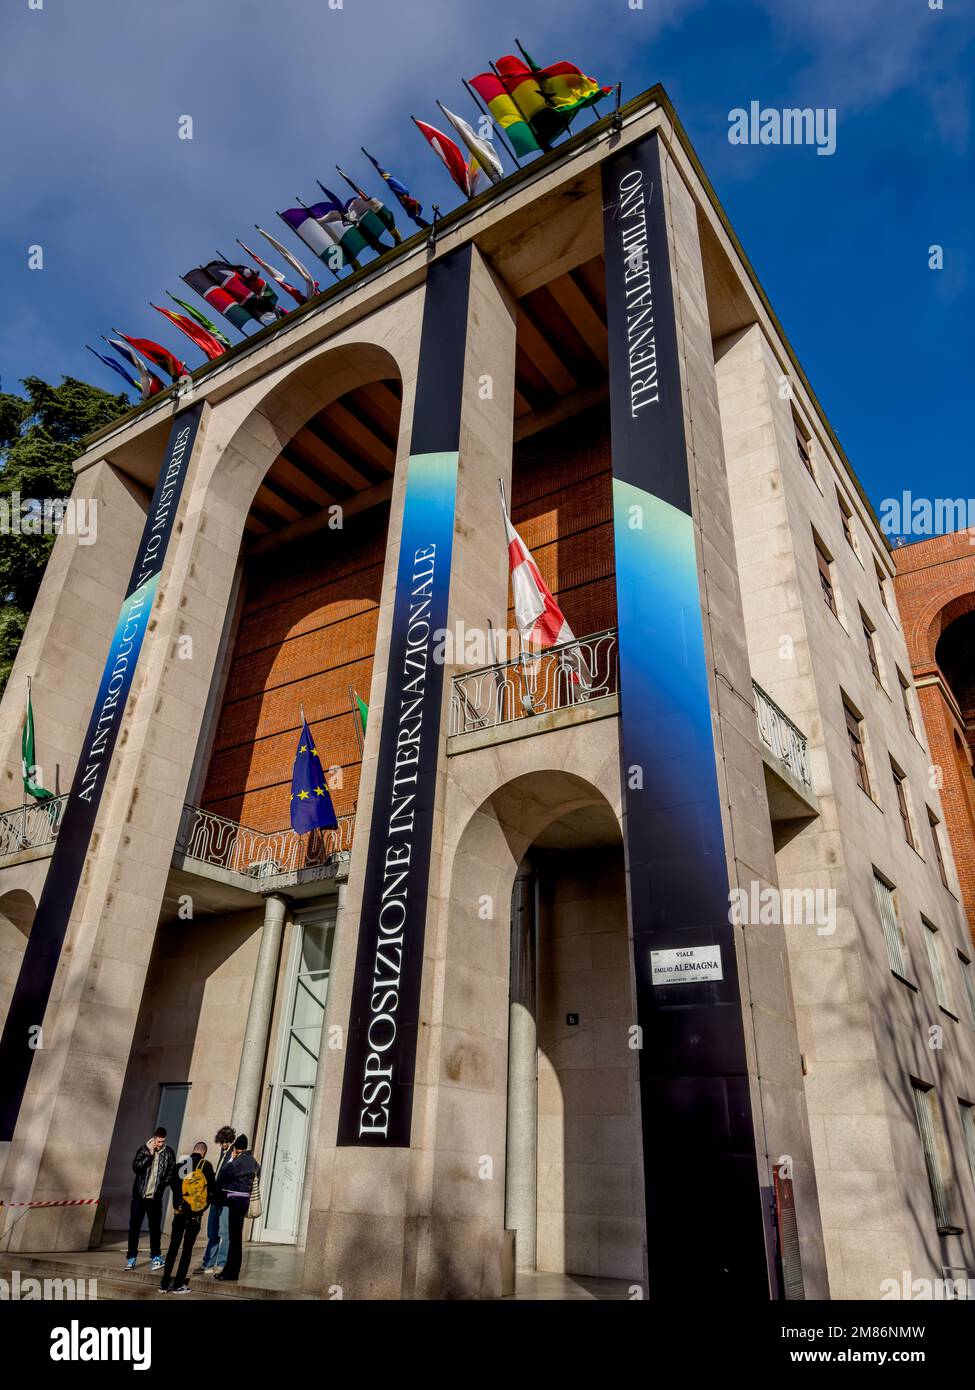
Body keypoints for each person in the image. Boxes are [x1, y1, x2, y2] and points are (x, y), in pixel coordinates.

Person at [159, 1142, 215, 1294]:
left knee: (173, 1248)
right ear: (204, 1153)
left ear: (193, 1150)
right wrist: (202, 1207)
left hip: (179, 1213)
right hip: (194, 1216)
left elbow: (172, 1184)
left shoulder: (181, 1165)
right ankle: (178, 1285)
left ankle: (164, 1284)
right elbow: (211, 1191)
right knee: (187, 1250)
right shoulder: (206, 1166)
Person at [126, 1126, 178, 1271]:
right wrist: (149, 1154)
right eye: (158, 1141)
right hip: (139, 1196)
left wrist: (161, 1185)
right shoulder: (143, 1150)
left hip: (155, 1197)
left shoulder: (169, 1153)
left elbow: (171, 1172)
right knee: (134, 1227)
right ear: (154, 1138)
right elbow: (136, 1168)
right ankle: (131, 1258)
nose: (160, 1144)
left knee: (154, 1228)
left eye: (162, 1141)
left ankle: (156, 1256)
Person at [214, 1134, 260, 1283]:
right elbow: (258, 1171)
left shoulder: (238, 1161)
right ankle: (232, 1271)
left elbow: (223, 1175)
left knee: (234, 1239)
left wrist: (231, 1159)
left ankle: (230, 1272)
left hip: (234, 1200)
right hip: (245, 1200)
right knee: (237, 1238)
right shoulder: (252, 1160)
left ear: (236, 1147)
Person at [200, 1125, 236, 1275]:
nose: (223, 1145)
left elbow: (229, 1174)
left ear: (230, 1141)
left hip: (225, 1199)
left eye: (225, 1142)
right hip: (216, 1198)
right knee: (212, 1231)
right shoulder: (224, 1152)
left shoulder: (233, 1154)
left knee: (224, 1232)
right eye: (221, 1142)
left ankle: (221, 1263)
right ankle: (208, 1263)